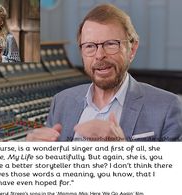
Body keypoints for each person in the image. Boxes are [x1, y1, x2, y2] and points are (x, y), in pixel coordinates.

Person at [26, 4, 182, 142]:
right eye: (90, 46)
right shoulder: (61, 102)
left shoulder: (168, 107)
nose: (99, 55)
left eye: (111, 44)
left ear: (132, 49)